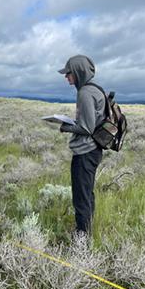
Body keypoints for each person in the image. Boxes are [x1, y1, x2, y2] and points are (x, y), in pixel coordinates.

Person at [58, 55, 105, 234]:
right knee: (87, 194)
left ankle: (82, 244)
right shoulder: (95, 89)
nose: (66, 77)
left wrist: (66, 127)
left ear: (78, 72)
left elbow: (87, 127)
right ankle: (86, 234)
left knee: (81, 198)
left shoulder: (85, 92)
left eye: (68, 73)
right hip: (93, 150)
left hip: (85, 152)